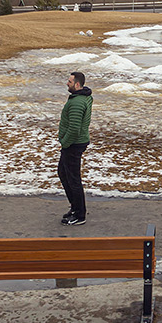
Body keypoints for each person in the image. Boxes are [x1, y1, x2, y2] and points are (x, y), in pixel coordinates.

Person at [57, 70, 93, 226]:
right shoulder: (82, 97)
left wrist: (65, 142)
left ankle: (79, 215)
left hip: (73, 144)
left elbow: (74, 128)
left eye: (70, 82)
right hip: (74, 143)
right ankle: (75, 207)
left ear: (77, 85)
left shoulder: (77, 102)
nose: (67, 83)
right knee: (63, 173)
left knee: (73, 179)